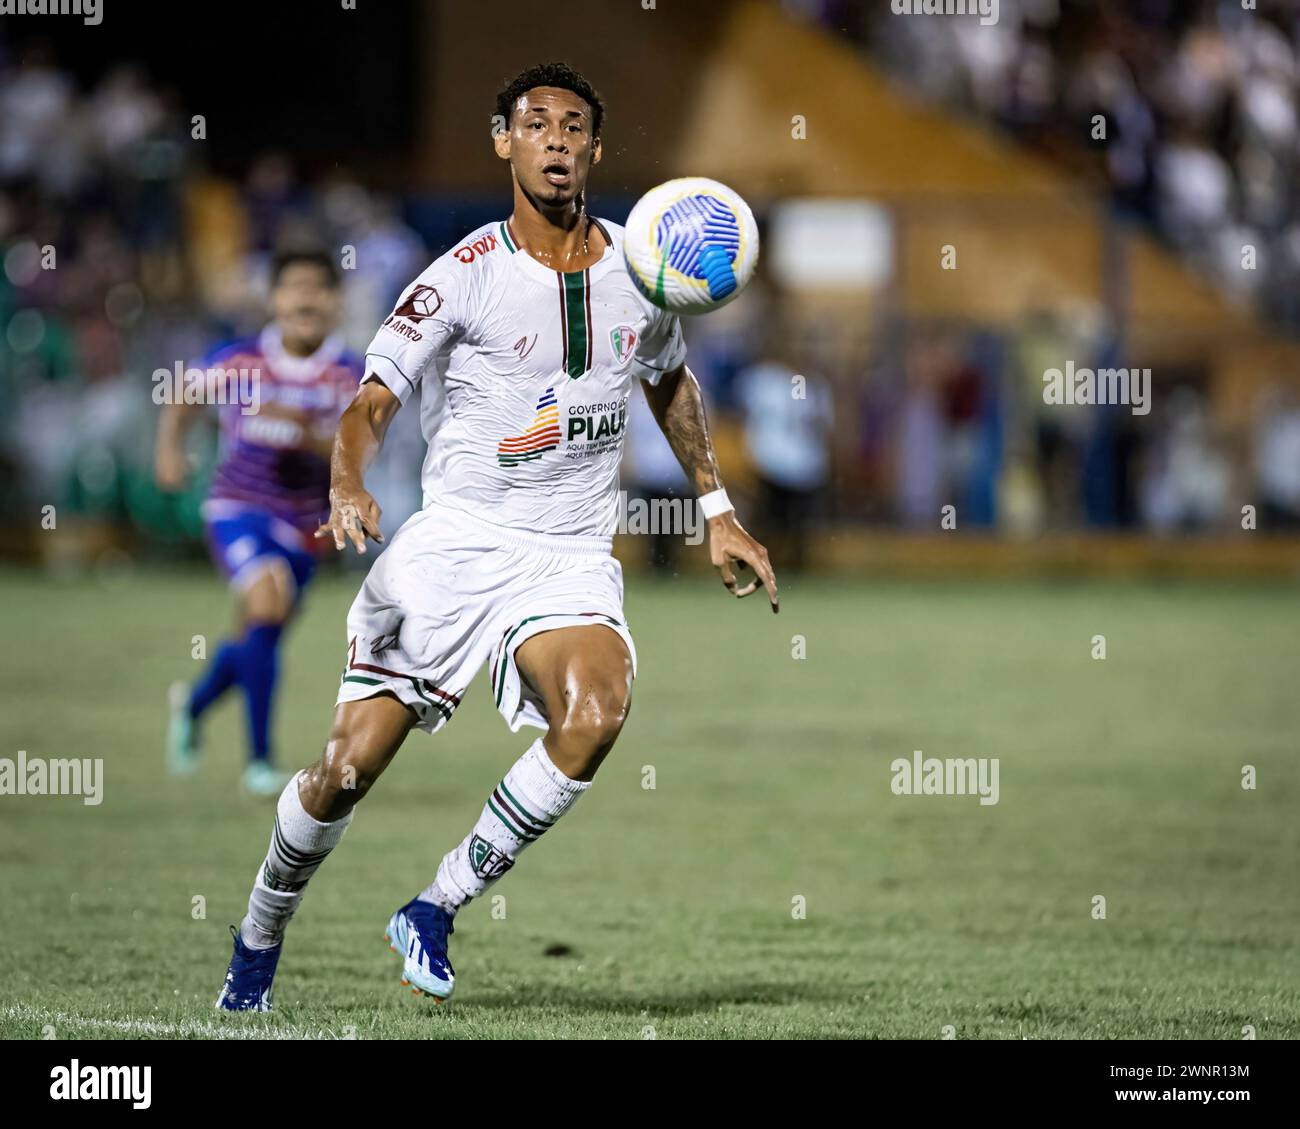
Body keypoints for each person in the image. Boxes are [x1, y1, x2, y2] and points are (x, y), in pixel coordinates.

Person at [216, 62, 777, 1010]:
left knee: (596, 713)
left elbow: (670, 383)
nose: (556, 141)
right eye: (537, 125)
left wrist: (717, 510)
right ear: (503, 143)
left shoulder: (646, 269)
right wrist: (347, 478)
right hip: (457, 549)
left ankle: (435, 905)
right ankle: (259, 931)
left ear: (596, 150)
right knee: (346, 771)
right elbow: (370, 400)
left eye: (574, 127)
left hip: (568, 556)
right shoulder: (462, 274)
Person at [155, 249, 360, 795]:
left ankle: (194, 706)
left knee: (259, 635)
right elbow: (182, 395)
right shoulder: (241, 360)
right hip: (238, 507)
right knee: (267, 603)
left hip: (307, 525)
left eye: (319, 288)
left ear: (336, 301)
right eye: (294, 287)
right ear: (273, 299)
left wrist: (305, 433)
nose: (306, 298)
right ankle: (260, 762)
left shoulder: (351, 374)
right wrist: (170, 455)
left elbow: (357, 449)